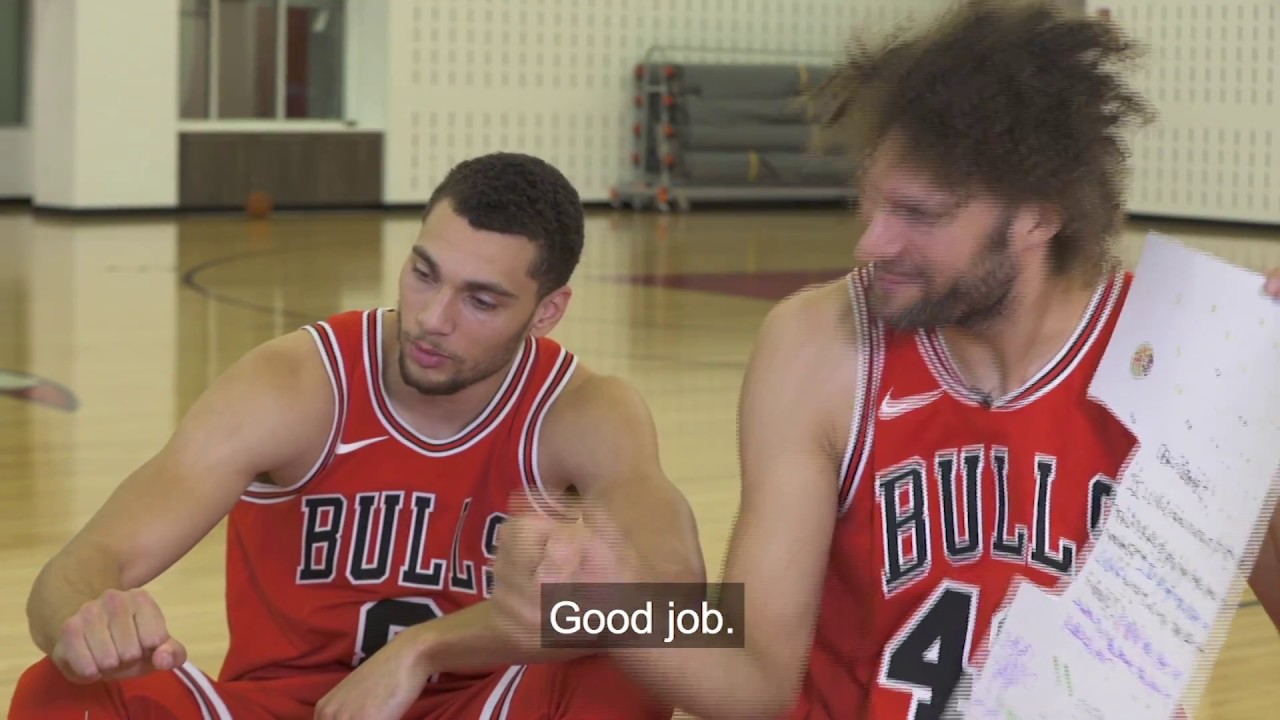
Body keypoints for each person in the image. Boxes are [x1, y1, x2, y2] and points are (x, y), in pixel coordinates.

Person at [490, 4, 1280, 719]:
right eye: (872, 204)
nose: (871, 244)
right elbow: (754, 669)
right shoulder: (819, 344)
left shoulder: (1192, 360)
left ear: (1038, 217)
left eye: (918, 216)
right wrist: (602, 601)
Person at [10, 152, 702, 720]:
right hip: (291, 709)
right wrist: (85, 624)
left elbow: (684, 609)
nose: (432, 318)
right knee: (61, 691)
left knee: (632, 662)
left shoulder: (583, 410)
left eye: (480, 299)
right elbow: (74, 569)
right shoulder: (295, 383)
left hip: (479, 705)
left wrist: (426, 649)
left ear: (547, 311)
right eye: (424, 273)